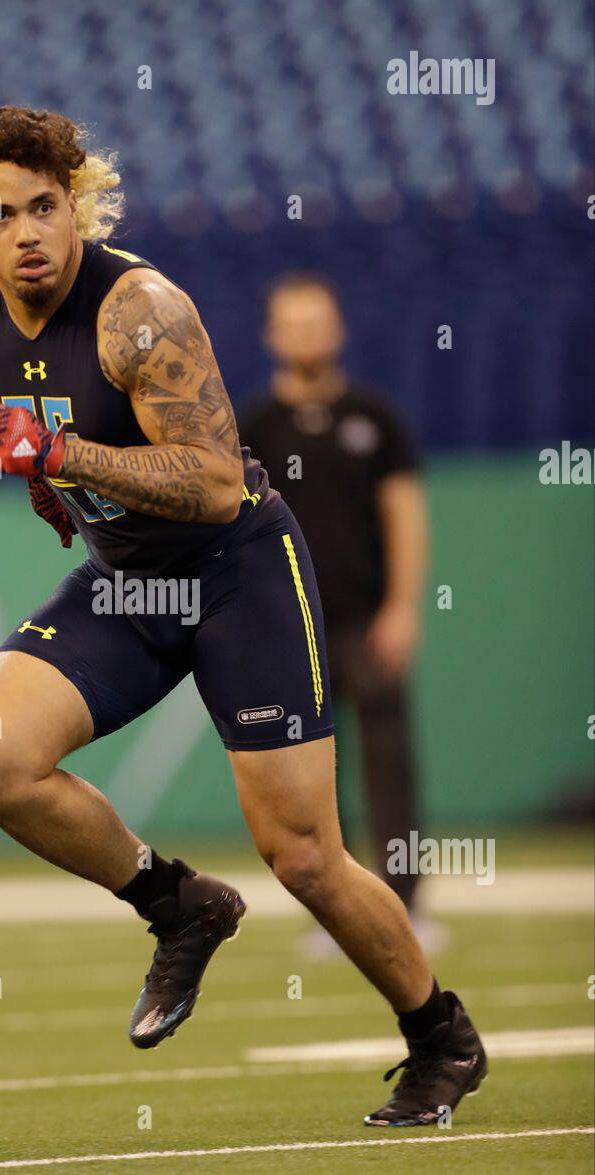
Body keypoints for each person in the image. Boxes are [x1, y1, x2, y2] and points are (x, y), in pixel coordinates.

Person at [0, 105, 485, 1126]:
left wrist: (59, 458)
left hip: (236, 573)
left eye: (45, 206)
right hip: (128, 579)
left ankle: (439, 1038)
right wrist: (49, 482)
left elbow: (211, 485)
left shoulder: (140, 308)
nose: (25, 232)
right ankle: (179, 904)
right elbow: (31, 413)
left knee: (306, 857)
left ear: (78, 206)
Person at [239, 274, 438, 946]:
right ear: (271, 336)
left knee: (390, 766)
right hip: (290, 631)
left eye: (316, 321)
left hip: (365, 622)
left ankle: (408, 909)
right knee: (308, 780)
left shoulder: (376, 418)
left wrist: (403, 608)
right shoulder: (252, 426)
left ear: (339, 329)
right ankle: (341, 914)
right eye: (291, 323)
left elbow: (405, 515)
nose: (305, 335)